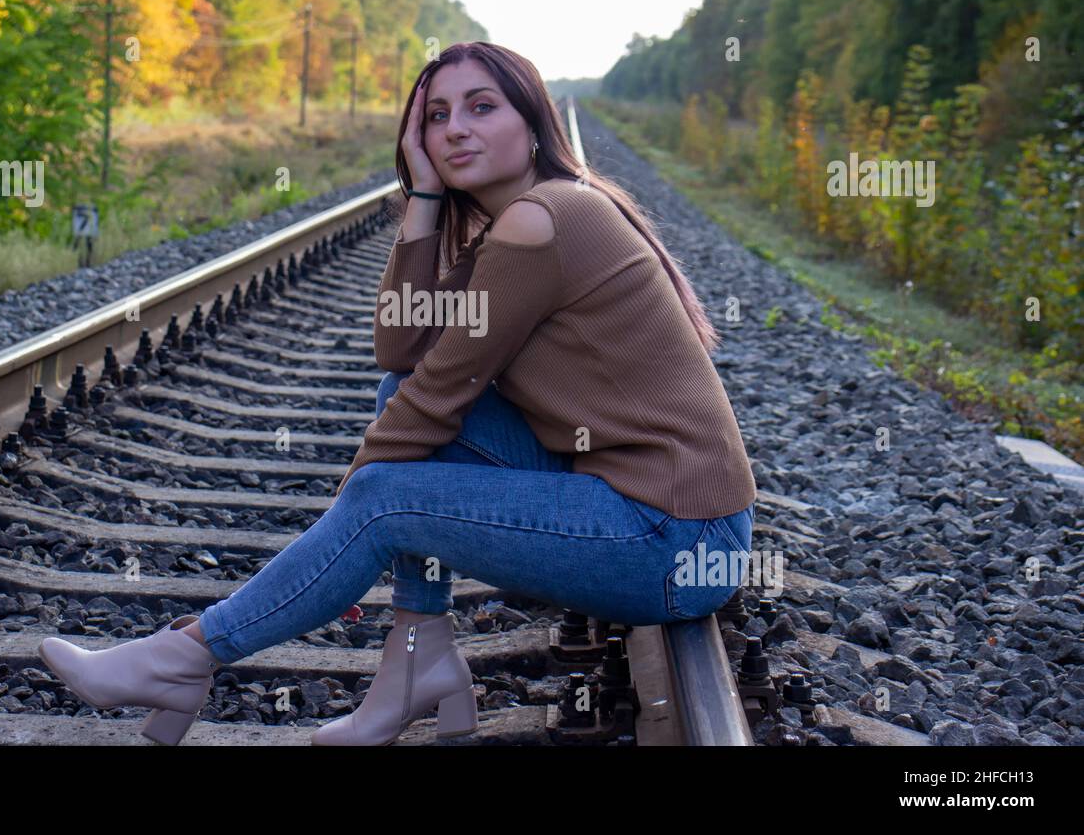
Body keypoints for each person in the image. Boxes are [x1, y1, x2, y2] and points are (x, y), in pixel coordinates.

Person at [37, 41, 757, 747]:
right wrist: (421, 196)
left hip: (676, 541)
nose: (456, 129)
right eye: (436, 117)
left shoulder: (546, 219)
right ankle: (416, 662)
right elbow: (404, 351)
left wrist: (354, 510)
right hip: (643, 508)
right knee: (394, 415)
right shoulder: (525, 218)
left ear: (533, 120)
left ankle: (186, 656)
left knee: (386, 498)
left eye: (482, 107)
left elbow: (441, 393)